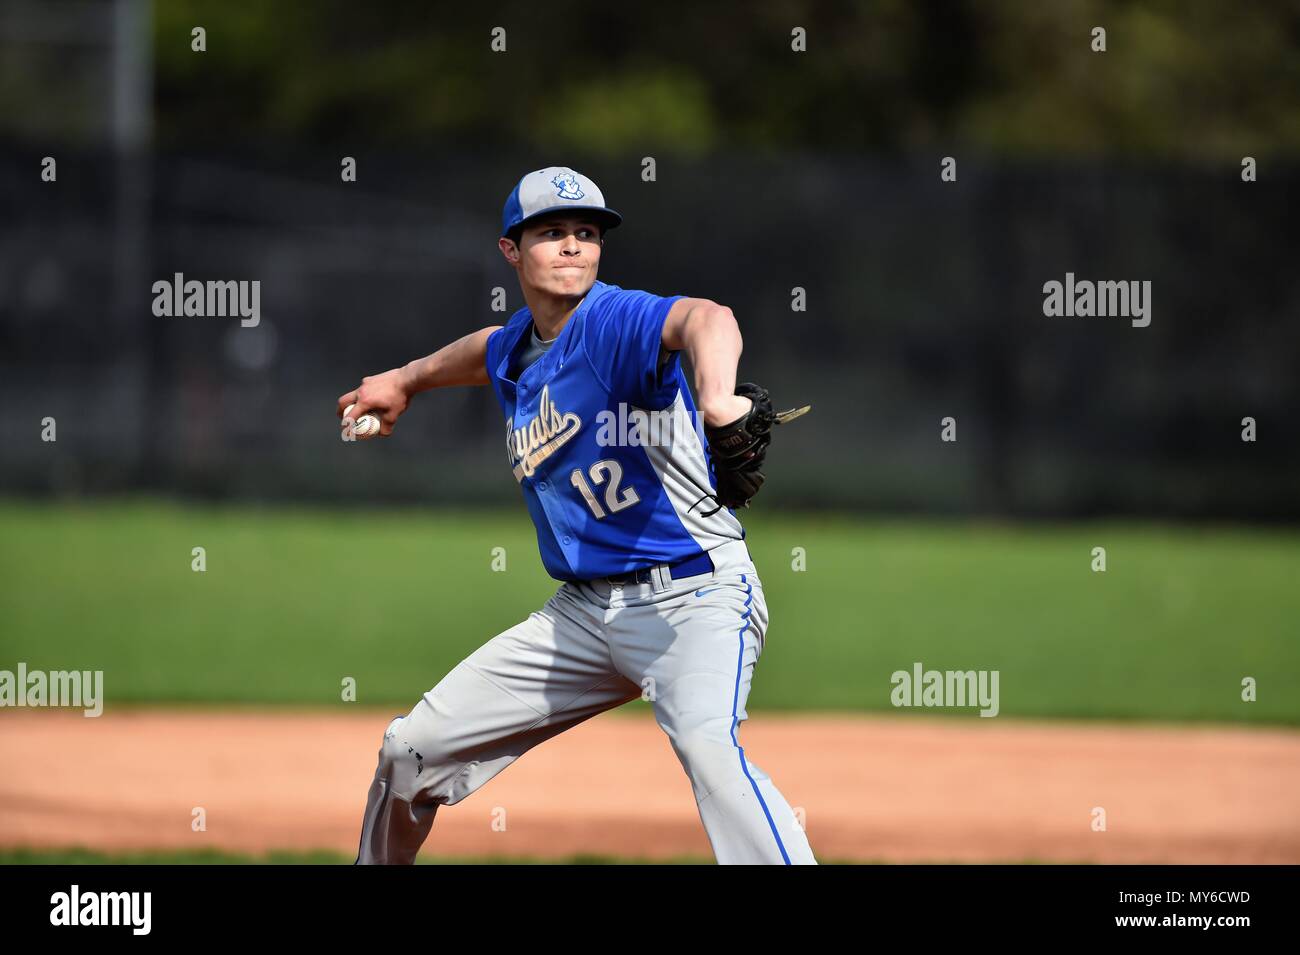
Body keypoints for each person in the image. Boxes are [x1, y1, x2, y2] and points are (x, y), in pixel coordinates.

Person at [342, 166, 816, 865]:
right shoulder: (518, 349)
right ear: (512, 251)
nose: (572, 247)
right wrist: (406, 379)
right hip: (583, 616)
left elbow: (706, 318)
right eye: (552, 233)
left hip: (693, 596)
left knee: (711, 753)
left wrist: (716, 400)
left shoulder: (613, 321)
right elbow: (484, 350)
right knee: (411, 750)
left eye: (586, 233)